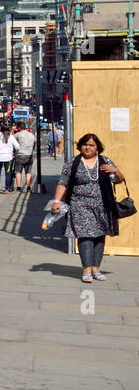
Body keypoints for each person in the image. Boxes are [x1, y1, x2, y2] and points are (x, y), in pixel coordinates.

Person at [50, 133, 125, 283]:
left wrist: (115, 171)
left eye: (91, 145)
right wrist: (56, 201)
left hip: (102, 205)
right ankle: (86, 269)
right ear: (80, 146)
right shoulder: (73, 163)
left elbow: (119, 180)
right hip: (79, 204)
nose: (88, 147)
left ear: (97, 147)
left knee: (99, 235)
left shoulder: (105, 161)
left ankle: (96, 268)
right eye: (85, 144)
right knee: (85, 235)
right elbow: (62, 183)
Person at [12, 121, 37, 193]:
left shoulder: (18, 134)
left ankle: (19, 189)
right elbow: (34, 143)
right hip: (29, 155)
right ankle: (29, 189)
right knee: (28, 172)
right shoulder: (31, 135)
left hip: (20, 155)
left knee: (18, 172)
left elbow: (10, 139)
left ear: (19, 127)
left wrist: (13, 130)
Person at [0, 124, 15, 193]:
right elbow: (17, 146)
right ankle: (7, 189)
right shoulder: (11, 137)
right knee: (8, 173)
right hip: (8, 157)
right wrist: (14, 153)